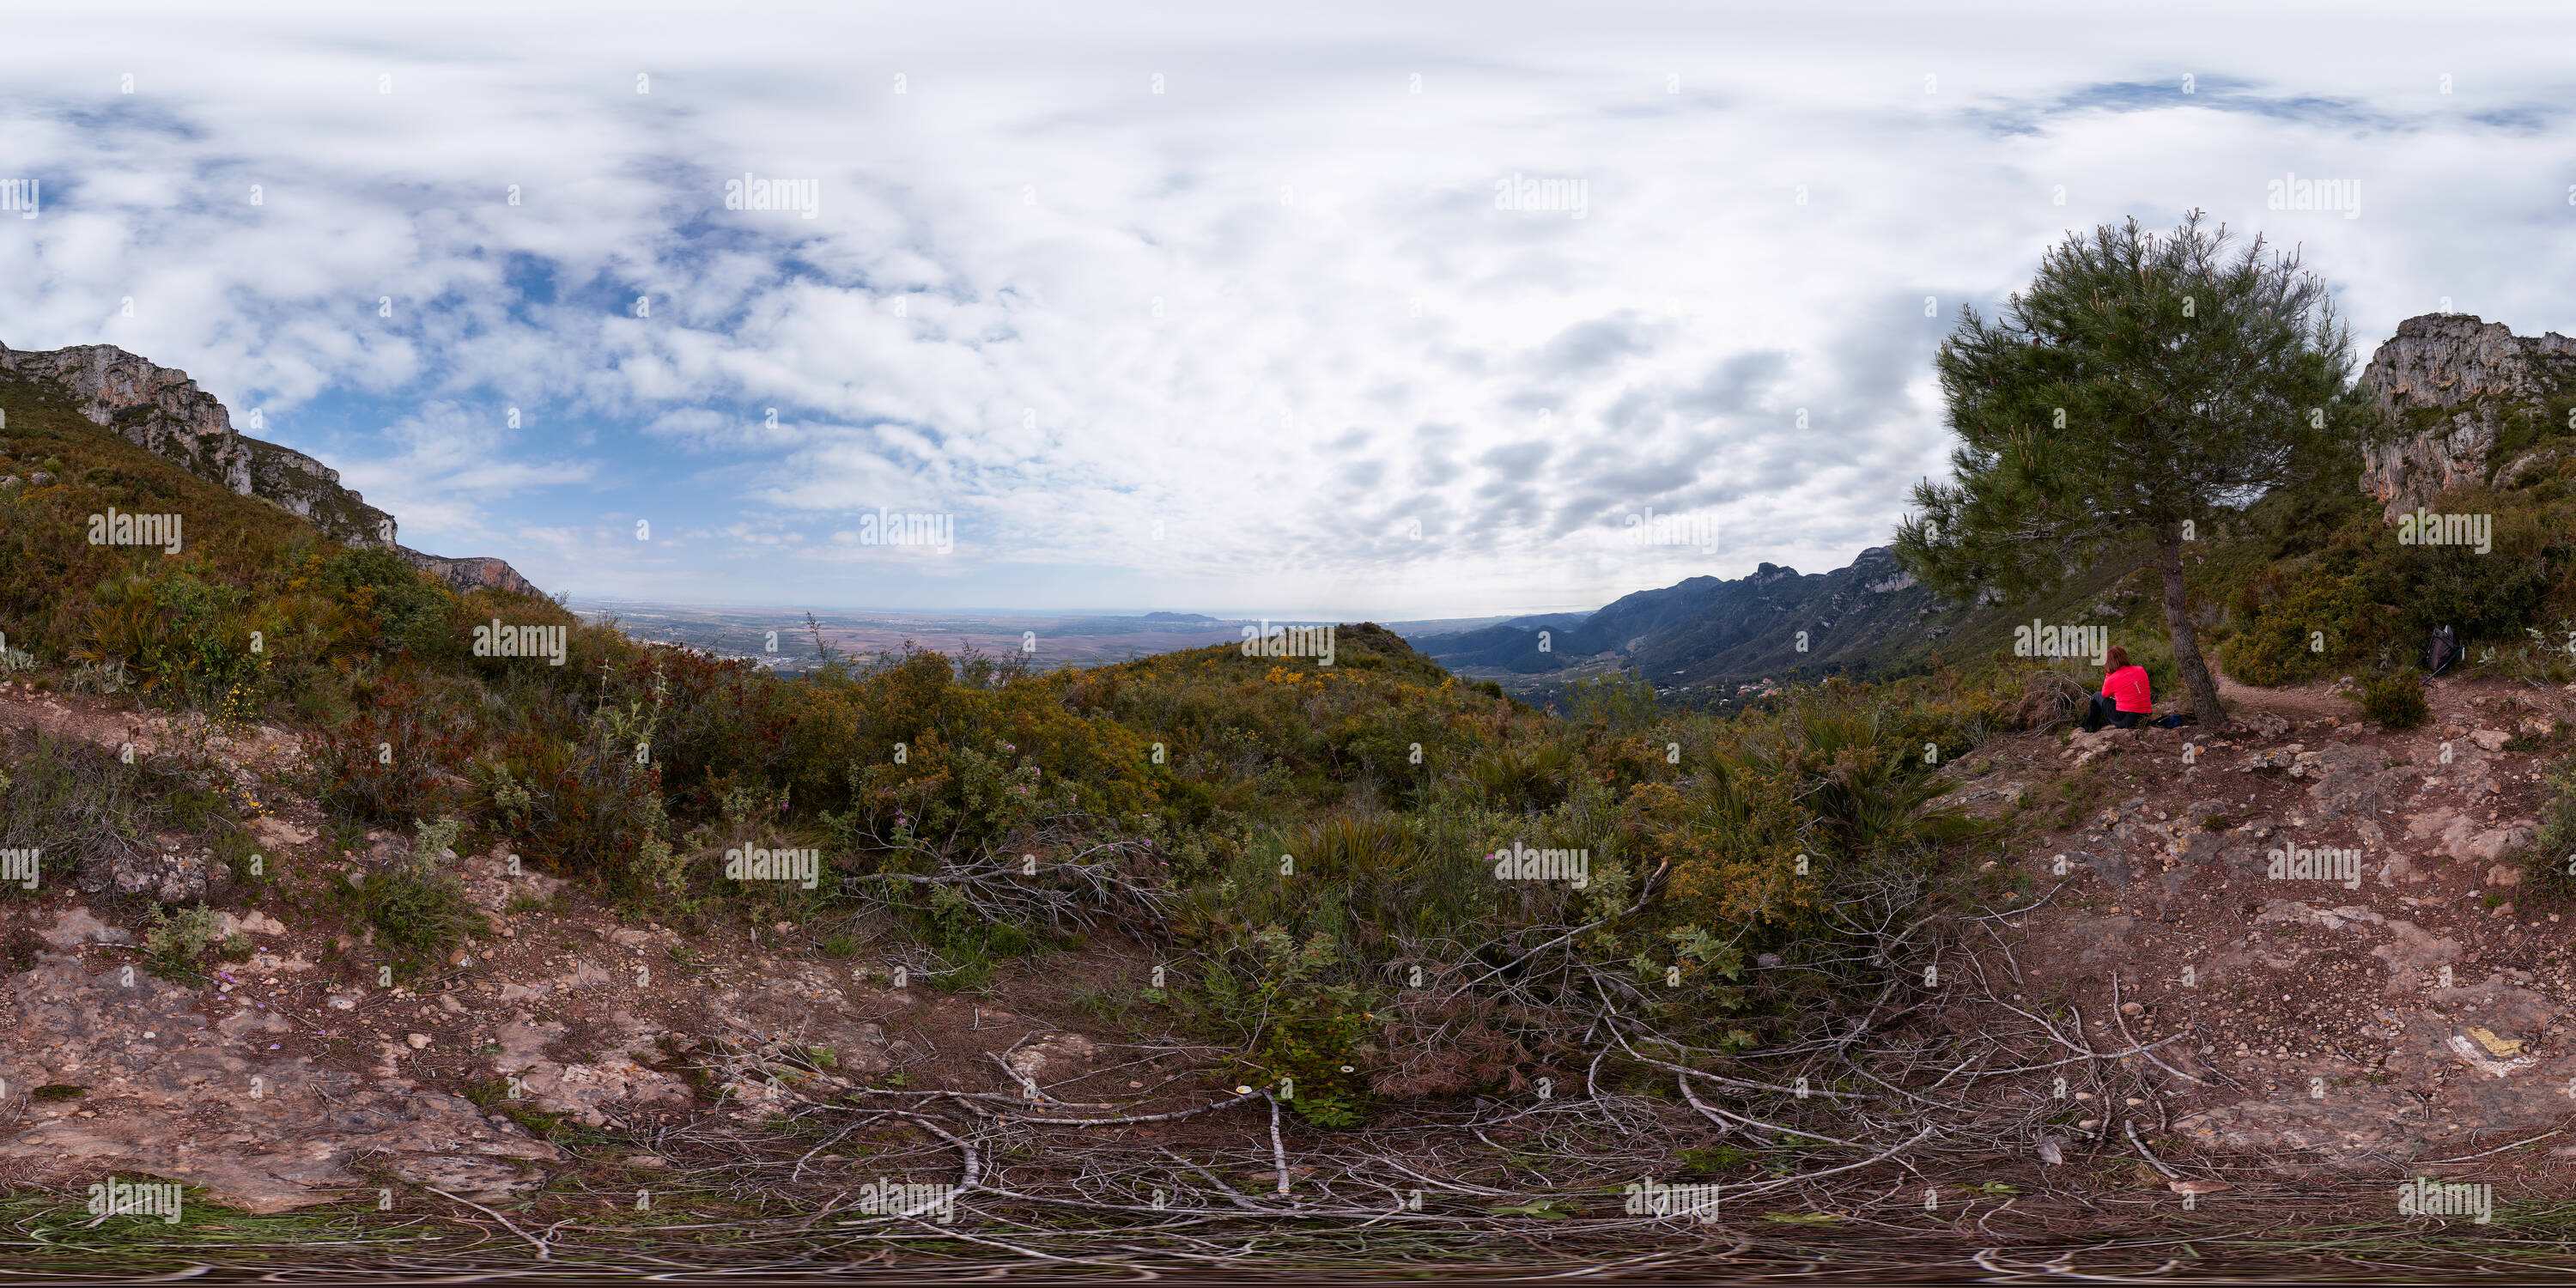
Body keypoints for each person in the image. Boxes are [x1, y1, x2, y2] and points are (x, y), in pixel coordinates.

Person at [2081, 646, 2152, 732]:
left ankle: (2089, 729)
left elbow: (2104, 694)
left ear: (2109, 662)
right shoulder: (2140, 669)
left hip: (2127, 721)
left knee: (2096, 696)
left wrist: (2108, 672)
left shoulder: (2112, 678)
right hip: (2146, 717)